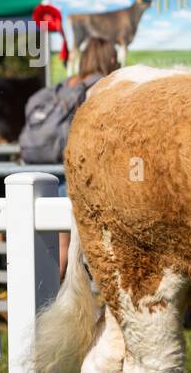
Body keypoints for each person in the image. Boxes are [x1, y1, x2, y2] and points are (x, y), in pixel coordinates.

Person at [22, 36, 120, 279]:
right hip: (69, 176)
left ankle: (40, 304)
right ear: (110, 59)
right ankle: (47, 309)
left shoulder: (65, 86)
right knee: (64, 253)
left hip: (39, 174)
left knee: (46, 248)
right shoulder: (100, 87)